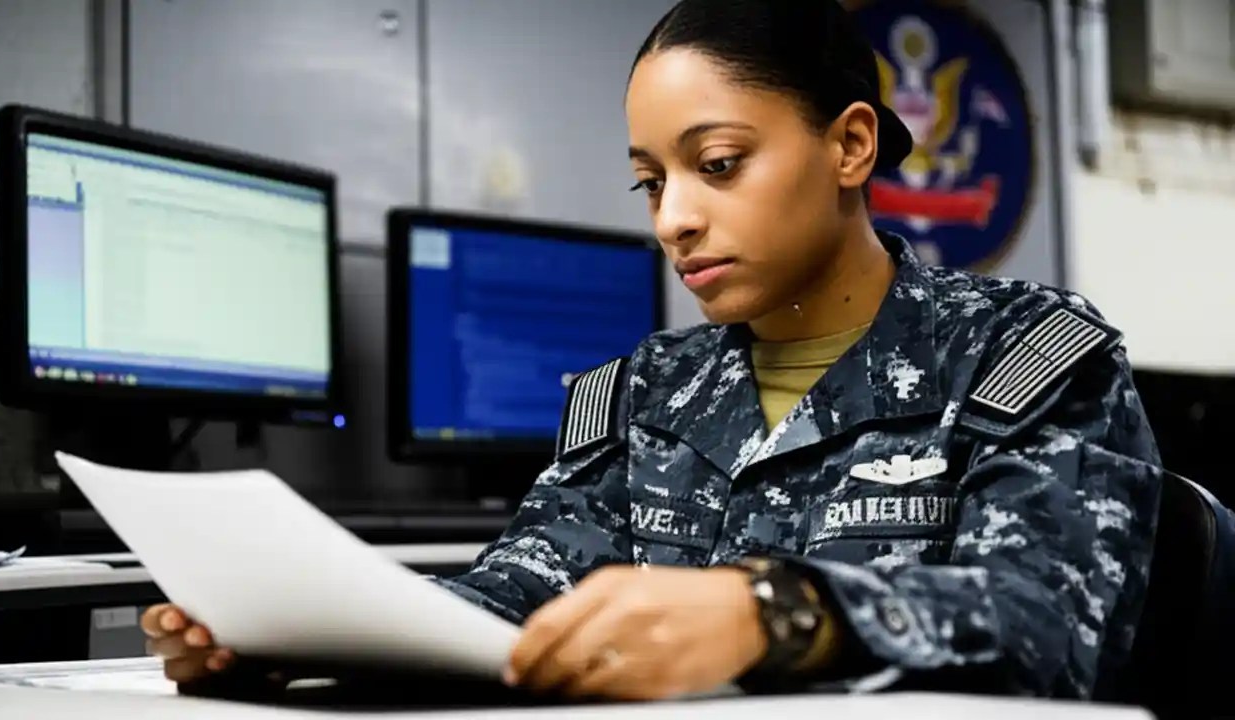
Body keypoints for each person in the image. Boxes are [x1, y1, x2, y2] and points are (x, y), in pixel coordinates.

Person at [142, 0, 1162, 703]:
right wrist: (297, 637)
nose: (672, 219)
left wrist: (775, 615)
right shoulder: (640, 394)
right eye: (650, 182)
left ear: (850, 146)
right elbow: (515, 595)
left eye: (716, 165)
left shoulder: (1019, 353)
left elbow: (1049, 627)